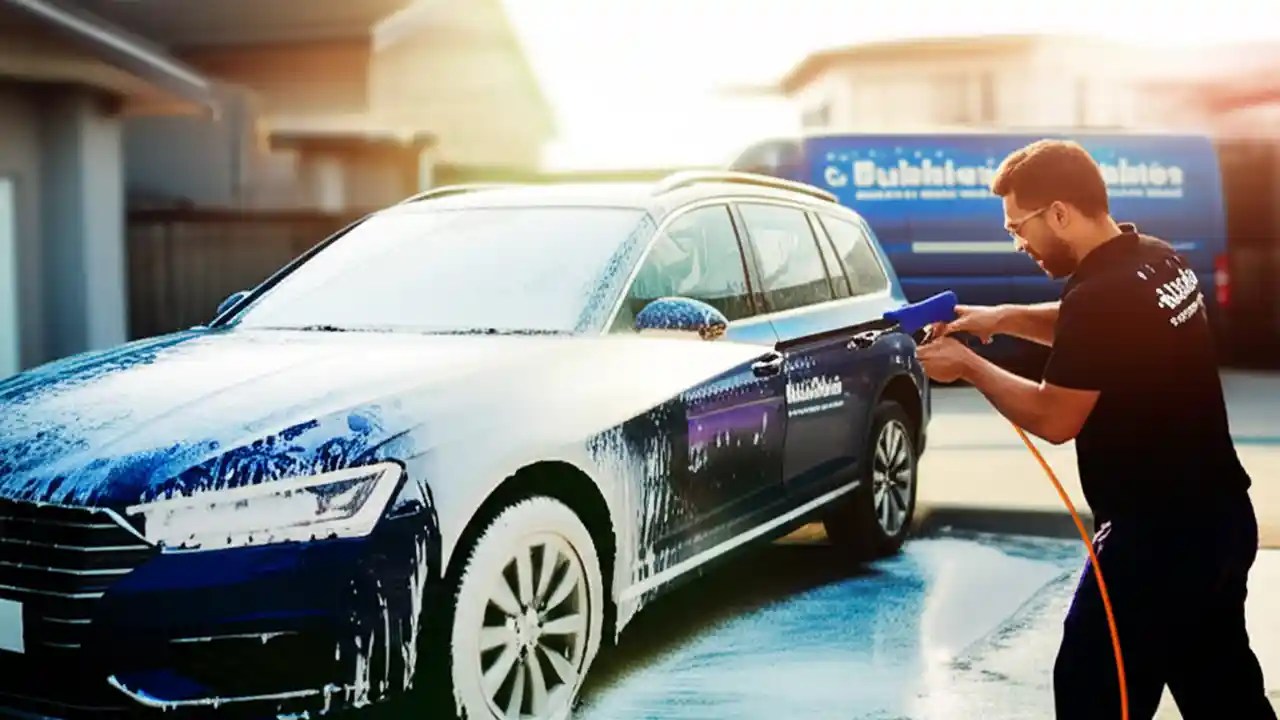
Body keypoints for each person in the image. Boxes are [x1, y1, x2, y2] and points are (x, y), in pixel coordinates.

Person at [916, 139, 1274, 719]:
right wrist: (999, 320)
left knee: (1092, 695)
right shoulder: (1157, 260)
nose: (1019, 244)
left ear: (1058, 212)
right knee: (1225, 696)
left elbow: (1056, 418)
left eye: (1018, 228)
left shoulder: (1101, 296)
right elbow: (1092, 331)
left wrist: (970, 368)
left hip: (1152, 544)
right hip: (1220, 523)